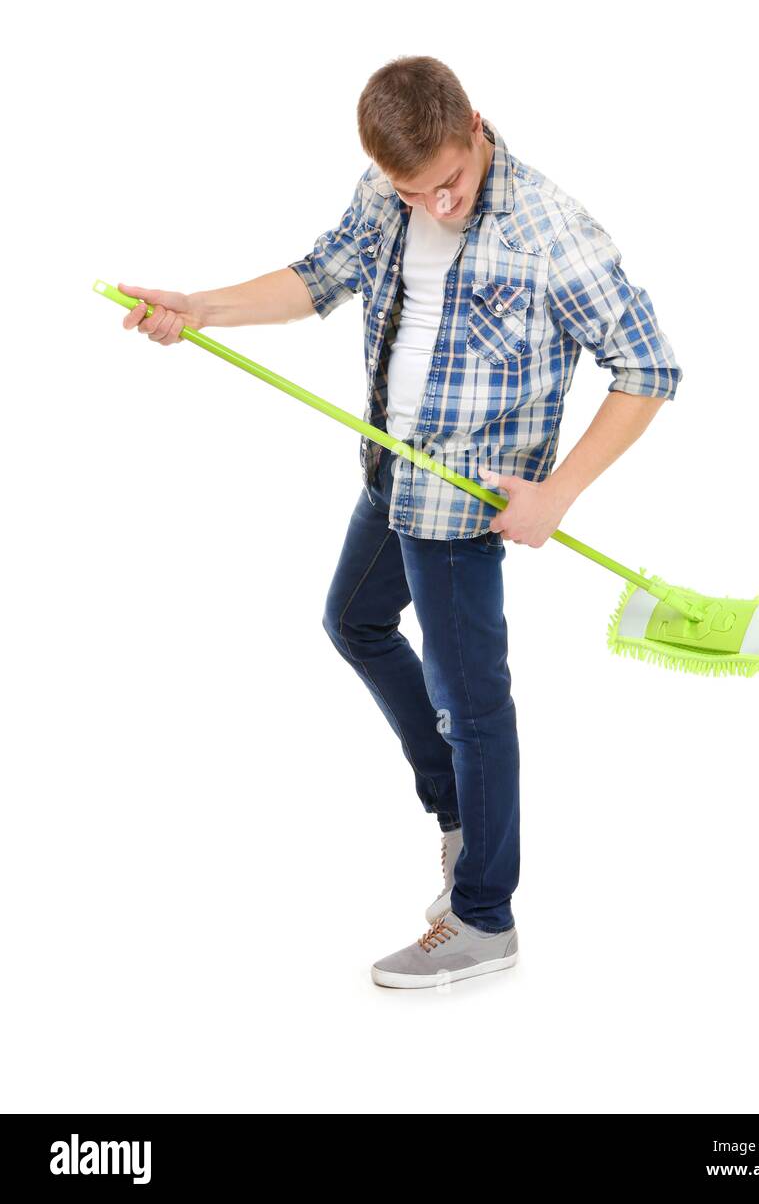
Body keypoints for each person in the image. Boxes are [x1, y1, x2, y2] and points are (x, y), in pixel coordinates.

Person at [120, 55, 682, 990]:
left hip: (464, 511)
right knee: (355, 621)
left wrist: (558, 495)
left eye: (448, 184)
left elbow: (648, 370)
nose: (435, 207)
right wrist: (202, 309)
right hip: (391, 477)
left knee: (475, 707)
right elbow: (318, 278)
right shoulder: (390, 192)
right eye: (412, 192)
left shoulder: (553, 232)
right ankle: (458, 820)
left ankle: (483, 917)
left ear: (474, 122)